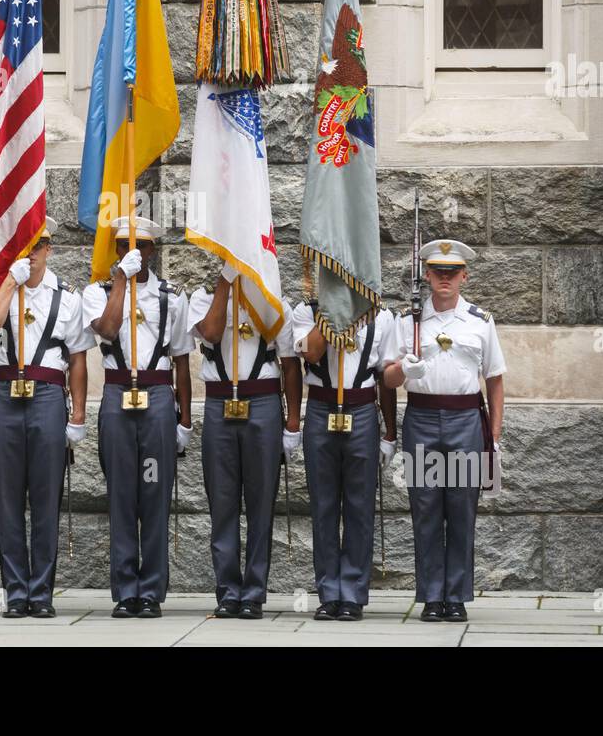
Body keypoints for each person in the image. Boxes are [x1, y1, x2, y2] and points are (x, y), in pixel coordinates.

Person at [0, 216, 92, 618]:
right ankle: (15, 593)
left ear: (48, 249)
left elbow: (77, 359)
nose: (32, 253)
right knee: (7, 499)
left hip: (46, 397)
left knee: (45, 497)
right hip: (6, 395)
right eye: (24, 245)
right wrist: (10, 283)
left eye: (38, 245)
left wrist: (77, 414)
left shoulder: (67, 297)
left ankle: (41, 593)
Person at [383, 240, 505, 624]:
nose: (445, 279)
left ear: (464, 276)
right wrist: (406, 369)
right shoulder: (408, 321)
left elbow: (495, 380)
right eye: (438, 272)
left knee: (462, 508)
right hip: (422, 417)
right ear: (427, 276)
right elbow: (386, 377)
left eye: (453, 273)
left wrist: (495, 436)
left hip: (465, 420)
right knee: (426, 509)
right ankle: (431, 596)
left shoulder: (480, 322)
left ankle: (457, 595)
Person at [81, 216, 193, 618]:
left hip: (158, 396)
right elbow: (108, 331)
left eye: (142, 246)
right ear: (116, 251)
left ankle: (151, 590)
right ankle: (125, 589)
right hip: (117, 394)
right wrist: (120, 284)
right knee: (123, 493)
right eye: (126, 245)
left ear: (152, 250)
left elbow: (181, 360)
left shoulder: (171, 296)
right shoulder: (96, 293)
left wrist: (184, 421)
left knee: (155, 491)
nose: (135, 252)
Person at [189, 270, 298, 619]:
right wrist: (225, 282)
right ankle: (227, 591)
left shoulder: (271, 301)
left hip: (263, 402)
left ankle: (253, 591)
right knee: (222, 503)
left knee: (261, 502)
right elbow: (211, 332)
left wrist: (293, 421)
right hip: (220, 402)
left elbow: (290, 364)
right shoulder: (204, 297)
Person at [291, 299, 398, 621]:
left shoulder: (383, 316)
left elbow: (385, 376)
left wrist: (390, 432)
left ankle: (352, 593)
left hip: (362, 410)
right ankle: (328, 593)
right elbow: (310, 353)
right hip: (322, 408)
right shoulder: (306, 311)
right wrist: (334, 313)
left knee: (359, 505)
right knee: (323, 506)